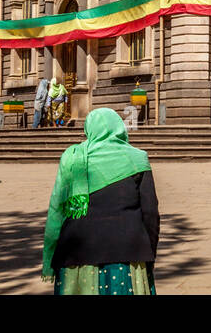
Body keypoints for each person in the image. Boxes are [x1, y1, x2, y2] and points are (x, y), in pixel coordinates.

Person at [42, 107, 159, 295]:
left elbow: (56, 211)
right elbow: (150, 214)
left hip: (76, 255)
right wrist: (148, 253)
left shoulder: (72, 158)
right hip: (128, 256)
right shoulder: (137, 159)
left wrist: (50, 255)